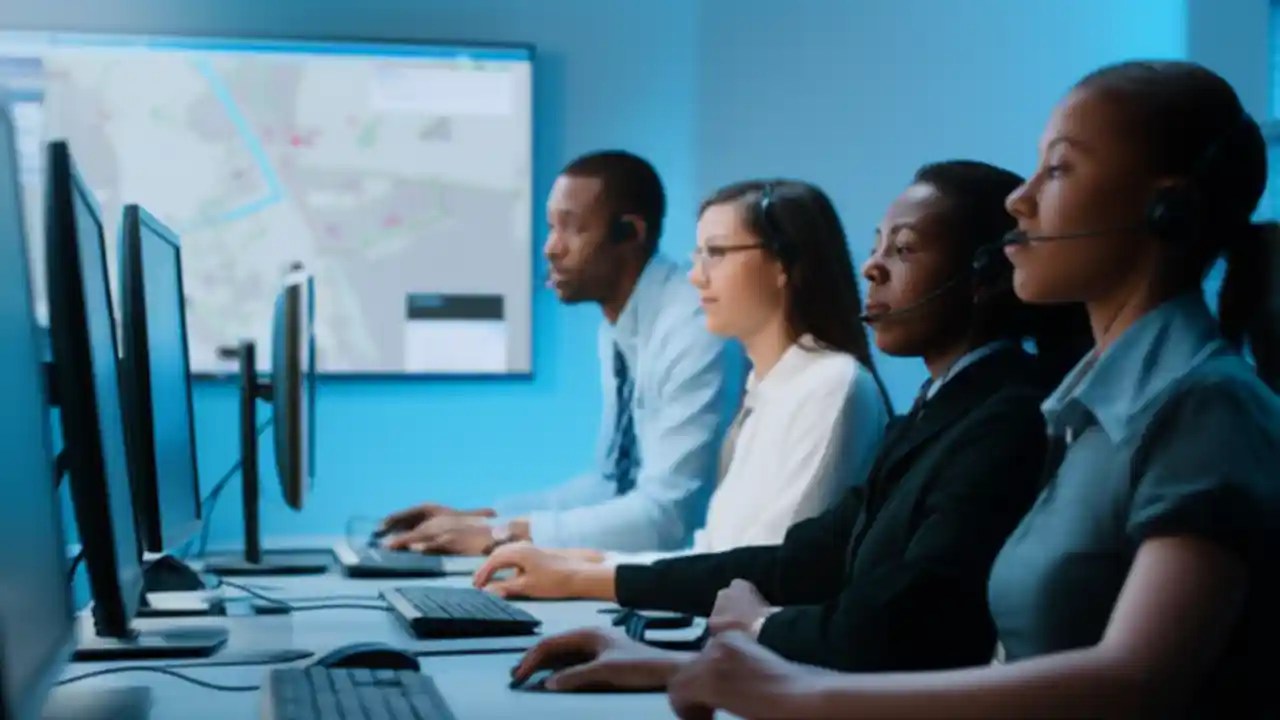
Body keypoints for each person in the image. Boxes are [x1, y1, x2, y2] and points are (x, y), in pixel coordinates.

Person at [664, 60, 1280, 720]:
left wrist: (797, 692)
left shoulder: (1205, 405)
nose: (1021, 199)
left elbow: (1135, 679)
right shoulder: (1076, 413)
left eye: (1059, 169)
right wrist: (683, 666)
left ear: (1167, 209)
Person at [489, 159, 1095, 688]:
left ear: (986, 277)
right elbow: (803, 557)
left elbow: (897, 623)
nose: (873, 269)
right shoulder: (937, 408)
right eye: (877, 246)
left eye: (903, 250)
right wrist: (601, 579)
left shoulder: (1003, 416)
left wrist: (755, 623)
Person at [467, 179, 893, 575]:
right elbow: (712, 555)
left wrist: (585, 577)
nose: (695, 275)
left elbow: (765, 571)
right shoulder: (767, 390)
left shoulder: (830, 386)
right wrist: (585, 561)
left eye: (717, 253)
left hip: (759, 646)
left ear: (782, 263)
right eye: (697, 255)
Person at [378, 150, 739, 555]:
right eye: (551, 227)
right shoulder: (620, 327)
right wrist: (484, 520)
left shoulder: (692, 327)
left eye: (571, 229)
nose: (551, 248)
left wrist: (504, 535)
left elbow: (665, 518)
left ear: (630, 233)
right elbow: (609, 485)